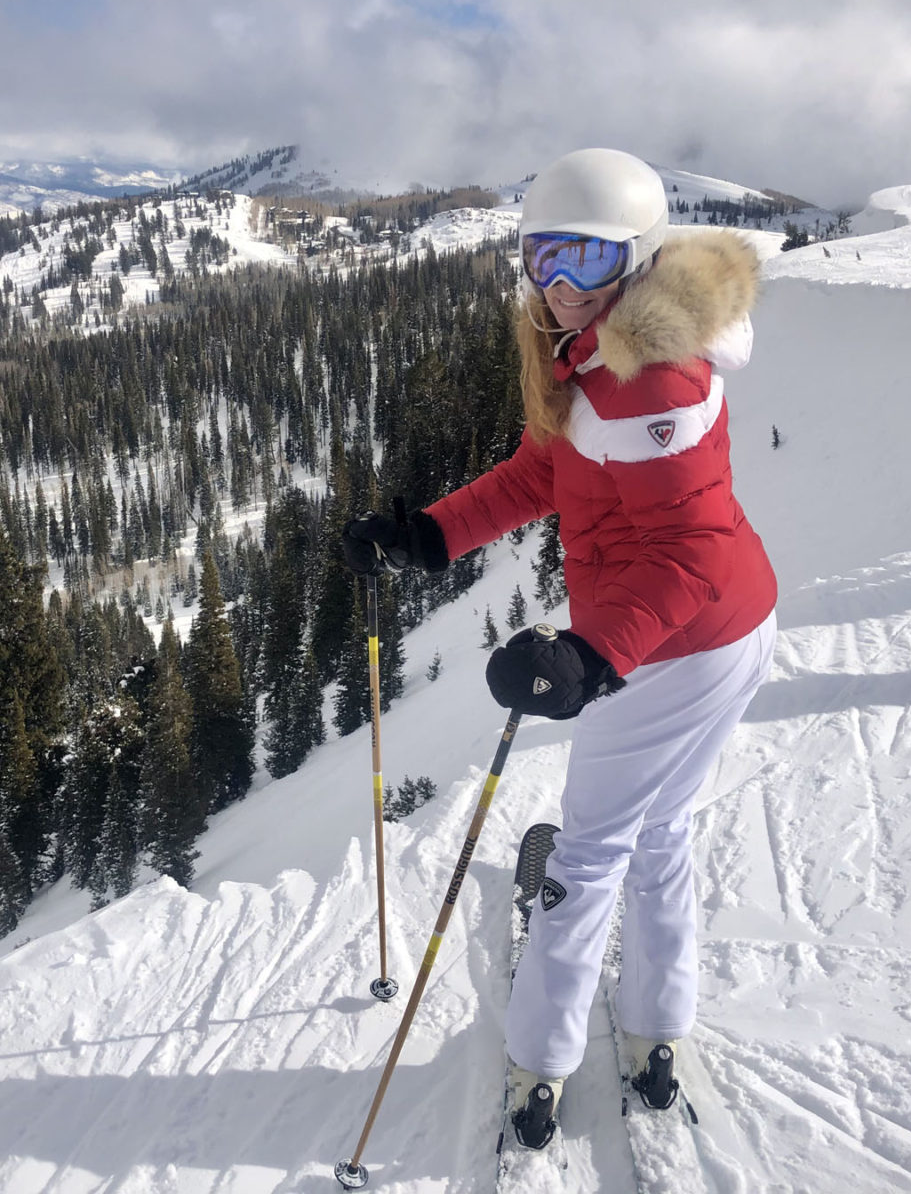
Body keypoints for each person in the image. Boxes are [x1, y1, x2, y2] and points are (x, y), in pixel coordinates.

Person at [341, 148, 777, 1150]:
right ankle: (654, 1031)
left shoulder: (652, 381)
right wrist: (430, 533)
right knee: (654, 833)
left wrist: (592, 655)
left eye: (583, 261)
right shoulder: (601, 351)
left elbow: (690, 548)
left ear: (637, 257)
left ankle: (541, 1063)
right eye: (541, 259)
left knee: (585, 858)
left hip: (677, 645)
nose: (558, 287)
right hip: (713, 631)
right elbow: (549, 469)